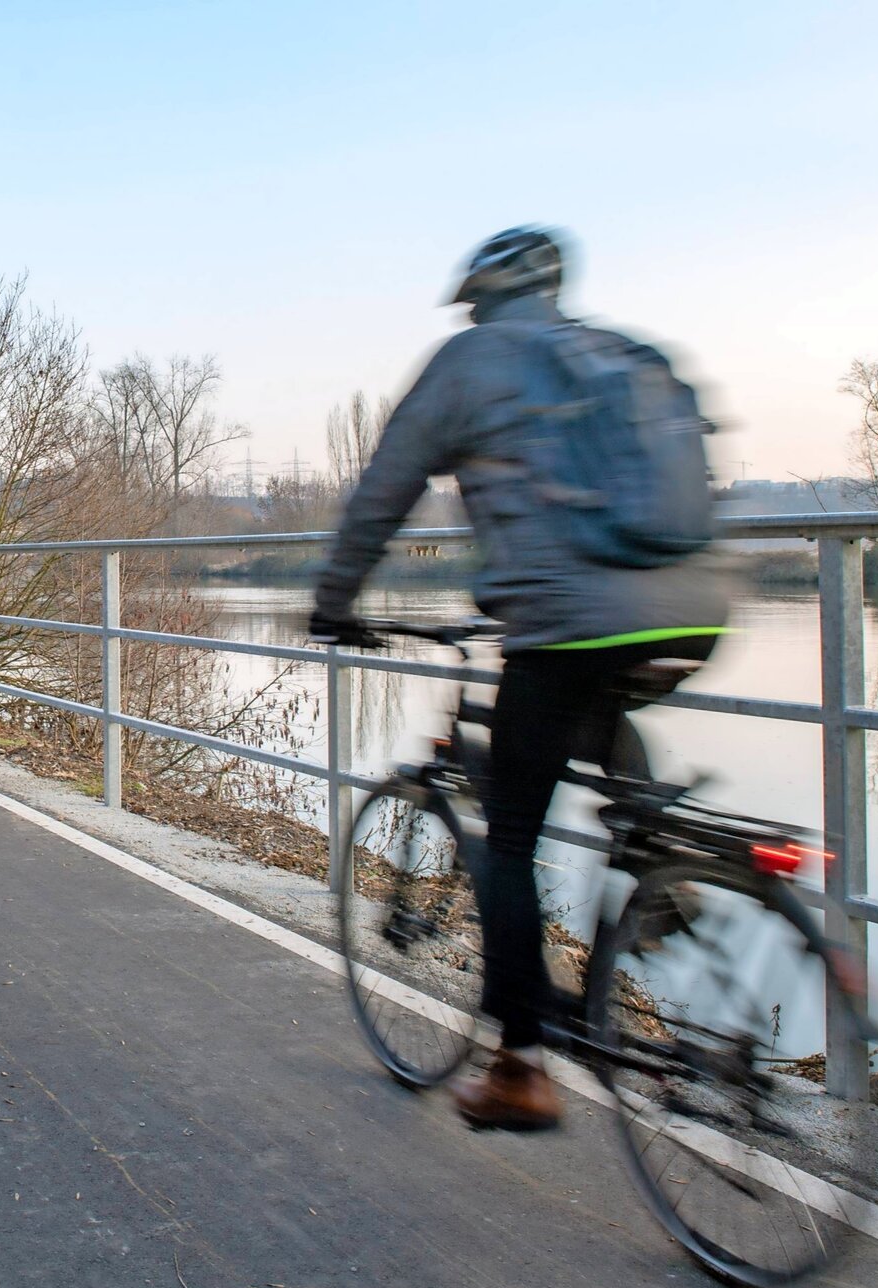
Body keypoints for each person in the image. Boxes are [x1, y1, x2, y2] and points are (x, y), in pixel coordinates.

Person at [309, 227, 730, 1131]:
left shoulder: (470, 360)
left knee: (507, 835)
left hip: (567, 618)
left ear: (481, 298)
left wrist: (334, 599)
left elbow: (384, 490)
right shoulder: (617, 354)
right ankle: (660, 863)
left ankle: (520, 1066)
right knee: (595, 703)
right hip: (696, 606)